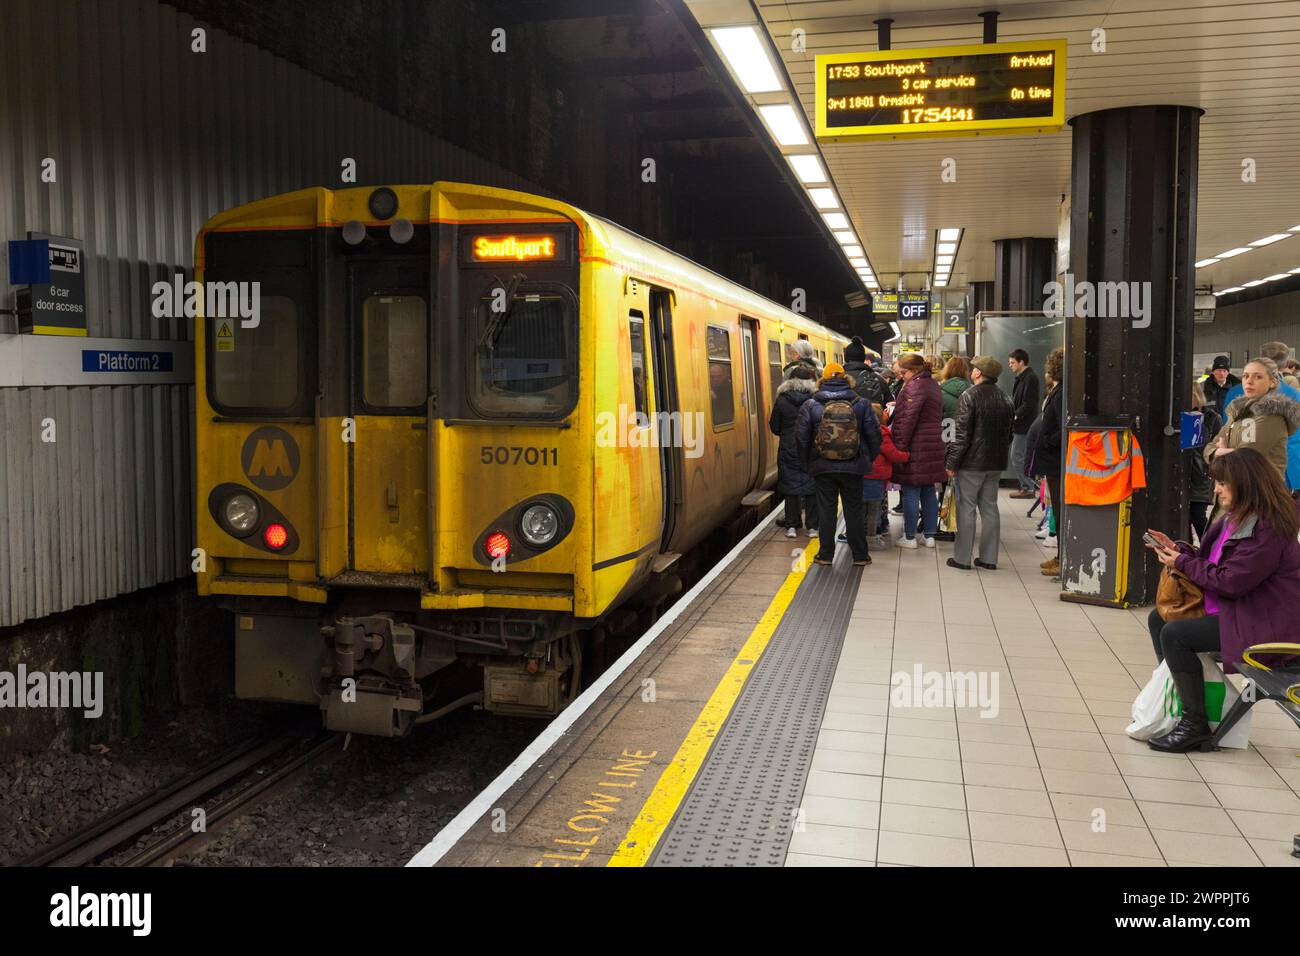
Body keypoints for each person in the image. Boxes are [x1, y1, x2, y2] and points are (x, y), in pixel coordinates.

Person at [1144, 447, 1300, 752]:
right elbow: (1212, 563)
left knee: (1176, 634)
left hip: (1266, 625)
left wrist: (1181, 563)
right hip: (1244, 611)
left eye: (1221, 483)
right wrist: (1179, 551)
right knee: (1159, 619)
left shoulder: (1266, 528)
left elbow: (1231, 582)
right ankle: (1182, 700)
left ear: (1244, 483)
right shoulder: (1235, 519)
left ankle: (1195, 724)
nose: (1215, 489)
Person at [795, 362, 882, 566]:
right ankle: (860, 555)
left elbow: (801, 437)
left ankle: (825, 555)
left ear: (822, 379)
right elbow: (874, 436)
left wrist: (808, 462)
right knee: (854, 510)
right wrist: (867, 458)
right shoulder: (861, 403)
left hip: (823, 467)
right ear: (846, 379)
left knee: (827, 511)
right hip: (854, 466)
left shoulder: (811, 404)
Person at [944, 356, 1014, 571]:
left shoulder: (969, 396)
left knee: (966, 509)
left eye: (974, 368)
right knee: (990, 509)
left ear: (977, 373)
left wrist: (951, 463)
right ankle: (989, 558)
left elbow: (961, 434)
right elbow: (1009, 434)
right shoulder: (1005, 398)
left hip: (972, 463)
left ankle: (963, 558)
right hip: (995, 463)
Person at [1206, 356, 1300, 486]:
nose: (1249, 382)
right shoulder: (1237, 412)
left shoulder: (1273, 416)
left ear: (1272, 382)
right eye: (1245, 376)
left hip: (1259, 495)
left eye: (1258, 377)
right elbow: (1209, 449)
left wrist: (1222, 452)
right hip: (1235, 492)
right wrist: (1220, 452)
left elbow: (1246, 458)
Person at [888, 353, 946, 548]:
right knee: (929, 491)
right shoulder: (933, 385)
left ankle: (910, 536)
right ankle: (929, 536)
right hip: (933, 446)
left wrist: (900, 449)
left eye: (903, 373)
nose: (901, 377)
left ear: (913, 371)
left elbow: (906, 422)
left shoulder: (914, 386)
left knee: (911, 491)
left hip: (916, 447)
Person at [769, 365, 820, 538]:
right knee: (811, 487)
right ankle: (812, 526)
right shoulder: (815, 399)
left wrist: (786, 433)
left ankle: (792, 525)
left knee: (790, 487)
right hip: (810, 448)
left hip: (788, 448)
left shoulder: (782, 399)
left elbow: (774, 426)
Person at [1035, 347, 1065, 578]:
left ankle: (1063, 558)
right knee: (1056, 504)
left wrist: (1047, 440)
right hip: (1053, 458)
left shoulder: (1062, 393)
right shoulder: (1059, 391)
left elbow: (1063, 426)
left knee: (1060, 506)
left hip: (1055, 458)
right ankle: (1060, 557)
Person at [1187, 381, 1222, 543]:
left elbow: (1215, 445)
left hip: (1201, 475)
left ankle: (1210, 550)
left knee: (1198, 516)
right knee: (1185, 518)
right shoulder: (1181, 417)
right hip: (1185, 474)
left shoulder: (1211, 418)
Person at [1008, 348, 1041, 499]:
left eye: (1013, 362)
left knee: (1017, 456)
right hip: (1021, 424)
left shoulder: (1030, 378)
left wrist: (1016, 415)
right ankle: (1027, 485)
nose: (1010, 365)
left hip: (1025, 424)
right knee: (1018, 455)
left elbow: (1030, 403)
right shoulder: (1021, 377)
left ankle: (1028, 486)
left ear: (1021, 362)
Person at [843, 337, 887, 407]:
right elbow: (888, 403)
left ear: (846, 358)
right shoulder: (877, 378)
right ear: (863, 358)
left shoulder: (835, 378)